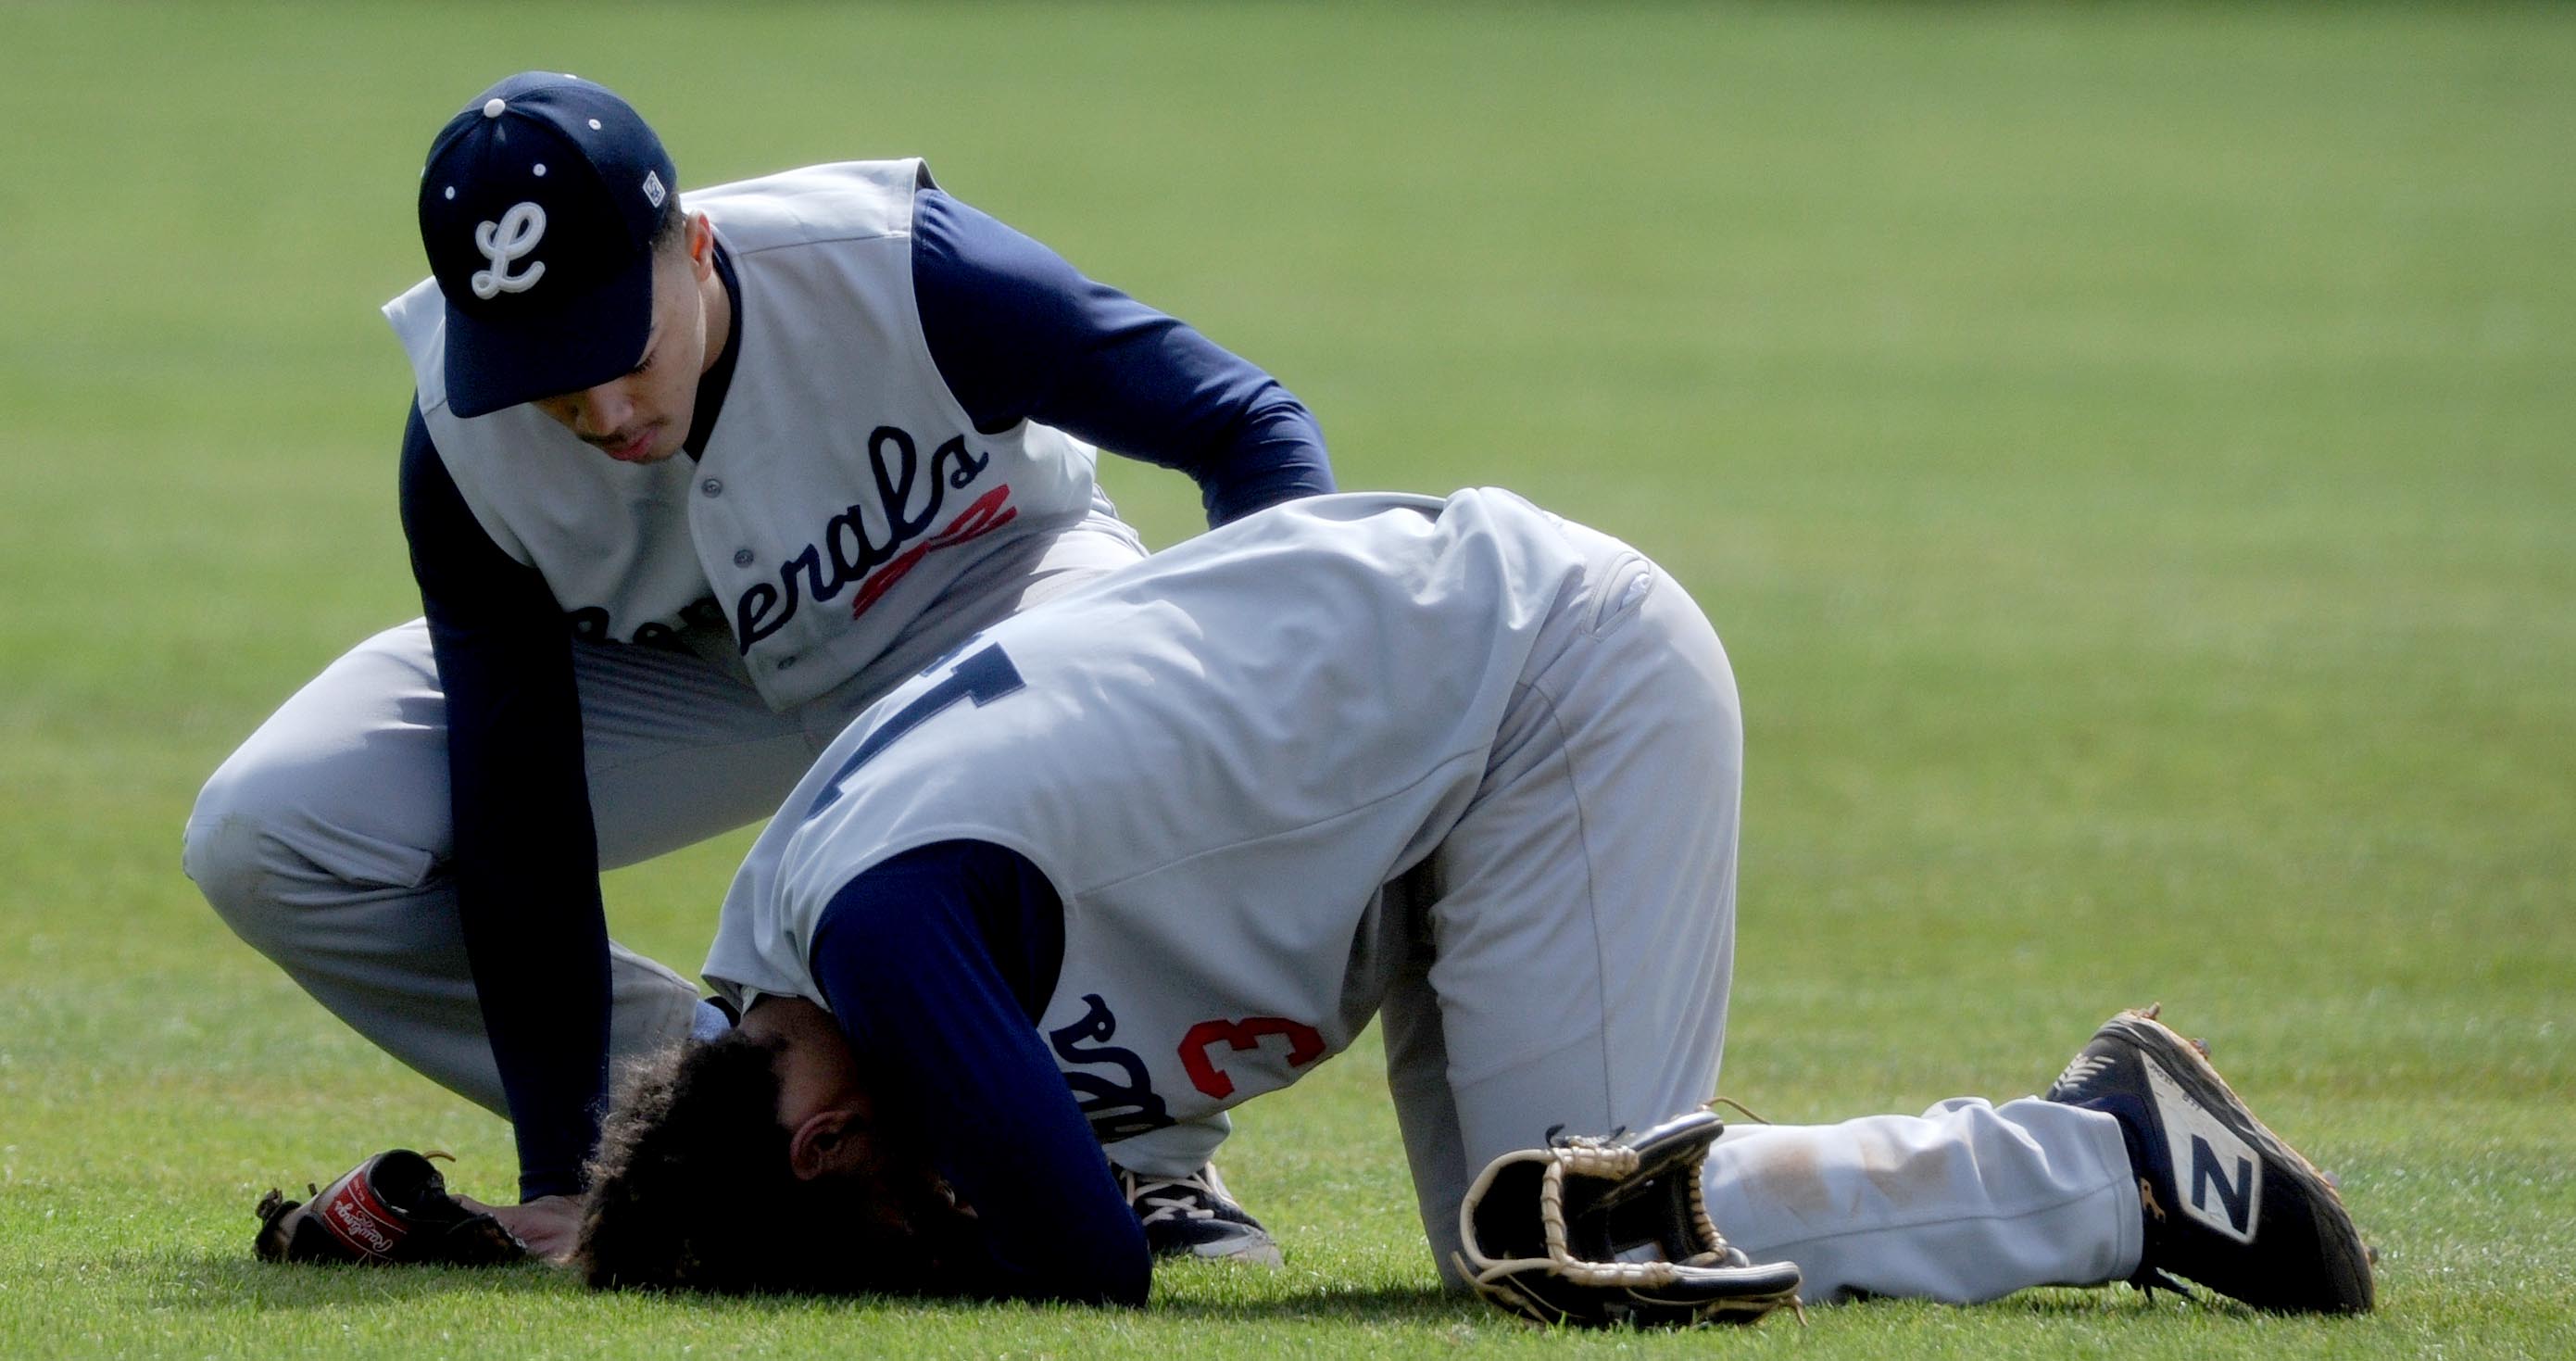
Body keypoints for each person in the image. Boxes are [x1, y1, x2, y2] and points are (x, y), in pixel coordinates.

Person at [569, 488, 2375, 1314]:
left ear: (821, 1144)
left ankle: (2113, 1163)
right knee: (1510, 1242)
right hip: (1449, 738)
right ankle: (2090, 1153)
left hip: (1544, 689)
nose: (929, 1195)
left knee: (1588, 1233)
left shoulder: (878, 937)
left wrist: (959, 1244)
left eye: (886, 1208)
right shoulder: (779, 934)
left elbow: (1085, 1258)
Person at [182, 70, 1332, 1262]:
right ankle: (730, 1094)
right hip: (686, 672)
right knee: (268, 831)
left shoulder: (905, 269)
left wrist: (1276, 682)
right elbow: (519, 801)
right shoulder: (463, 446)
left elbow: (1243, 423)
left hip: (986, 599)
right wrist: (570, 1166)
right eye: (549, 375)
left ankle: (1135, 1150)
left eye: (620, 346)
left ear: (695, 248)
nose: (604, 409)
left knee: (1097, 722)